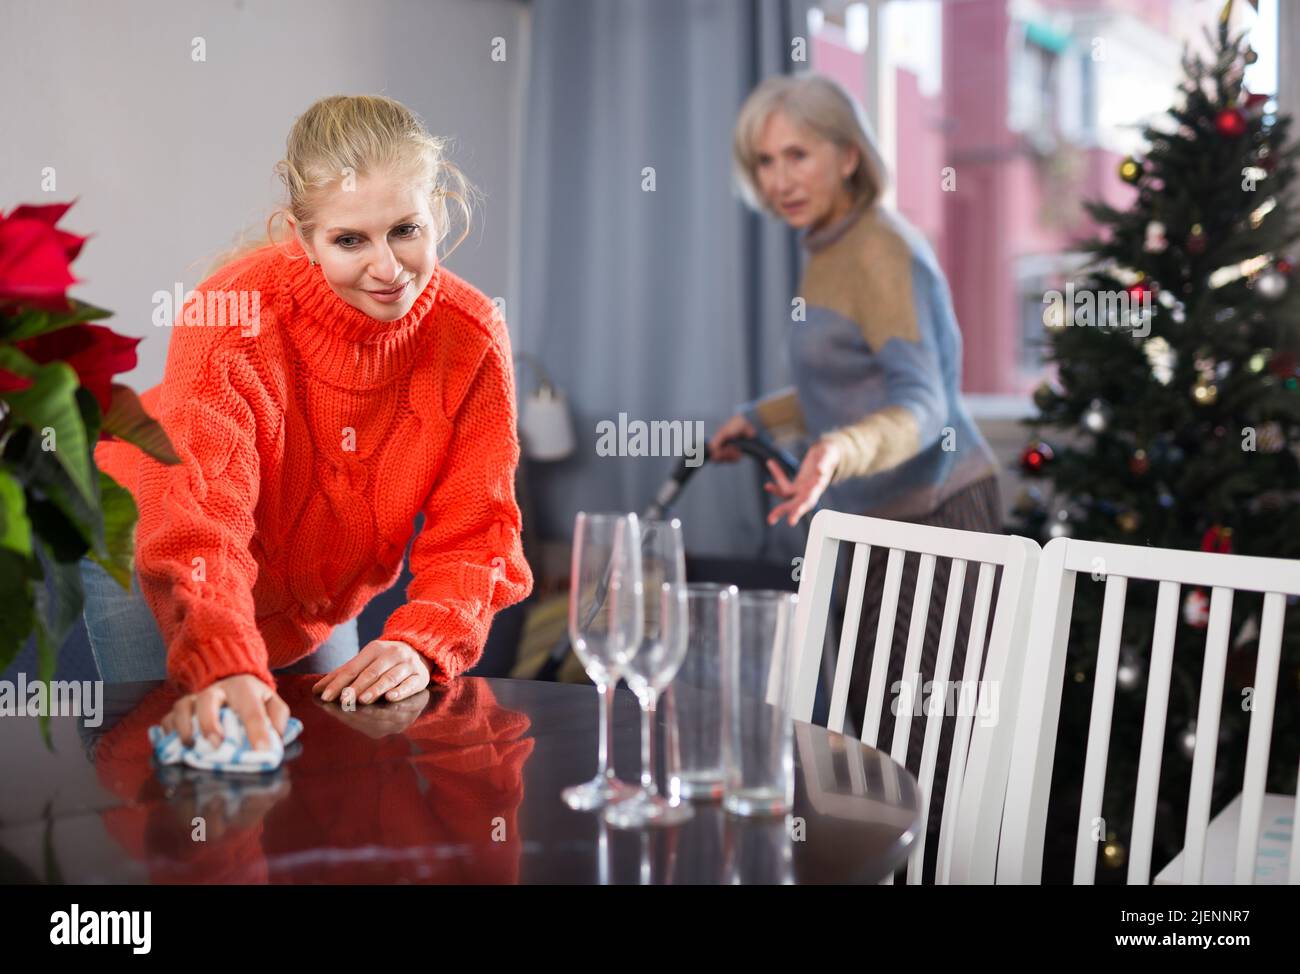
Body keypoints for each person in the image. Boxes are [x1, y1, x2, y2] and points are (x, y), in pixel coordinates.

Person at [85, 94, 533, 753]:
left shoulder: (471, 339)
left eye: (405, 229)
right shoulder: (229, 315)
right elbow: (199, 518)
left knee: (332, 773)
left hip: (315, 588)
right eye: (350, 240)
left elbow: (476, 532)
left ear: (436, 210)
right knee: (184, 780)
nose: (387, 268)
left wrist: (424, 639)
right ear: (301, 236)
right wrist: (222, 659)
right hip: (163, 538)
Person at [711, 73, 1001, 878]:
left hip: (939, 509)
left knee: (918, 744)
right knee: (874, 735)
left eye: (797, 154)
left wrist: (837, 450)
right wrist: (763, 421)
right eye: (764, 161)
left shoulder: (879, 249)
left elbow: (923, 403)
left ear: (847, 154)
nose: (779, 179)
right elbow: (840, 381)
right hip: (876, 515)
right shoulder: (830, 245)